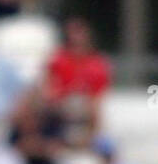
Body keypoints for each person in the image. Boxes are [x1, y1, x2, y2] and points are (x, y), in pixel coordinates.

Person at [43, 17, 111, 148]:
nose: (76, 38)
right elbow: (50, 86)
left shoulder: (98, 63)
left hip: (85, 107)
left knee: (86, 106)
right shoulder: (57, 60)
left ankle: (90, 141)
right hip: (59, 106)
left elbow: (98, 95)